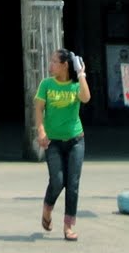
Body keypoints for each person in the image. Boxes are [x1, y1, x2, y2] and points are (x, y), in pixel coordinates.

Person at [35, 48, 91, 242]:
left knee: (73, 184)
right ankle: (47, 209)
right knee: (58, 181)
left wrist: (81, 74)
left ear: (65, 65)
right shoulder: (46, 85)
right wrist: (41, 131)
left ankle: (68, 226)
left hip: (76, 140)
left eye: (54, 62)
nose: (50, 65)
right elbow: (39, 110)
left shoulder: (76, 86)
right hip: (54, 143)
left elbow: (85, 98)